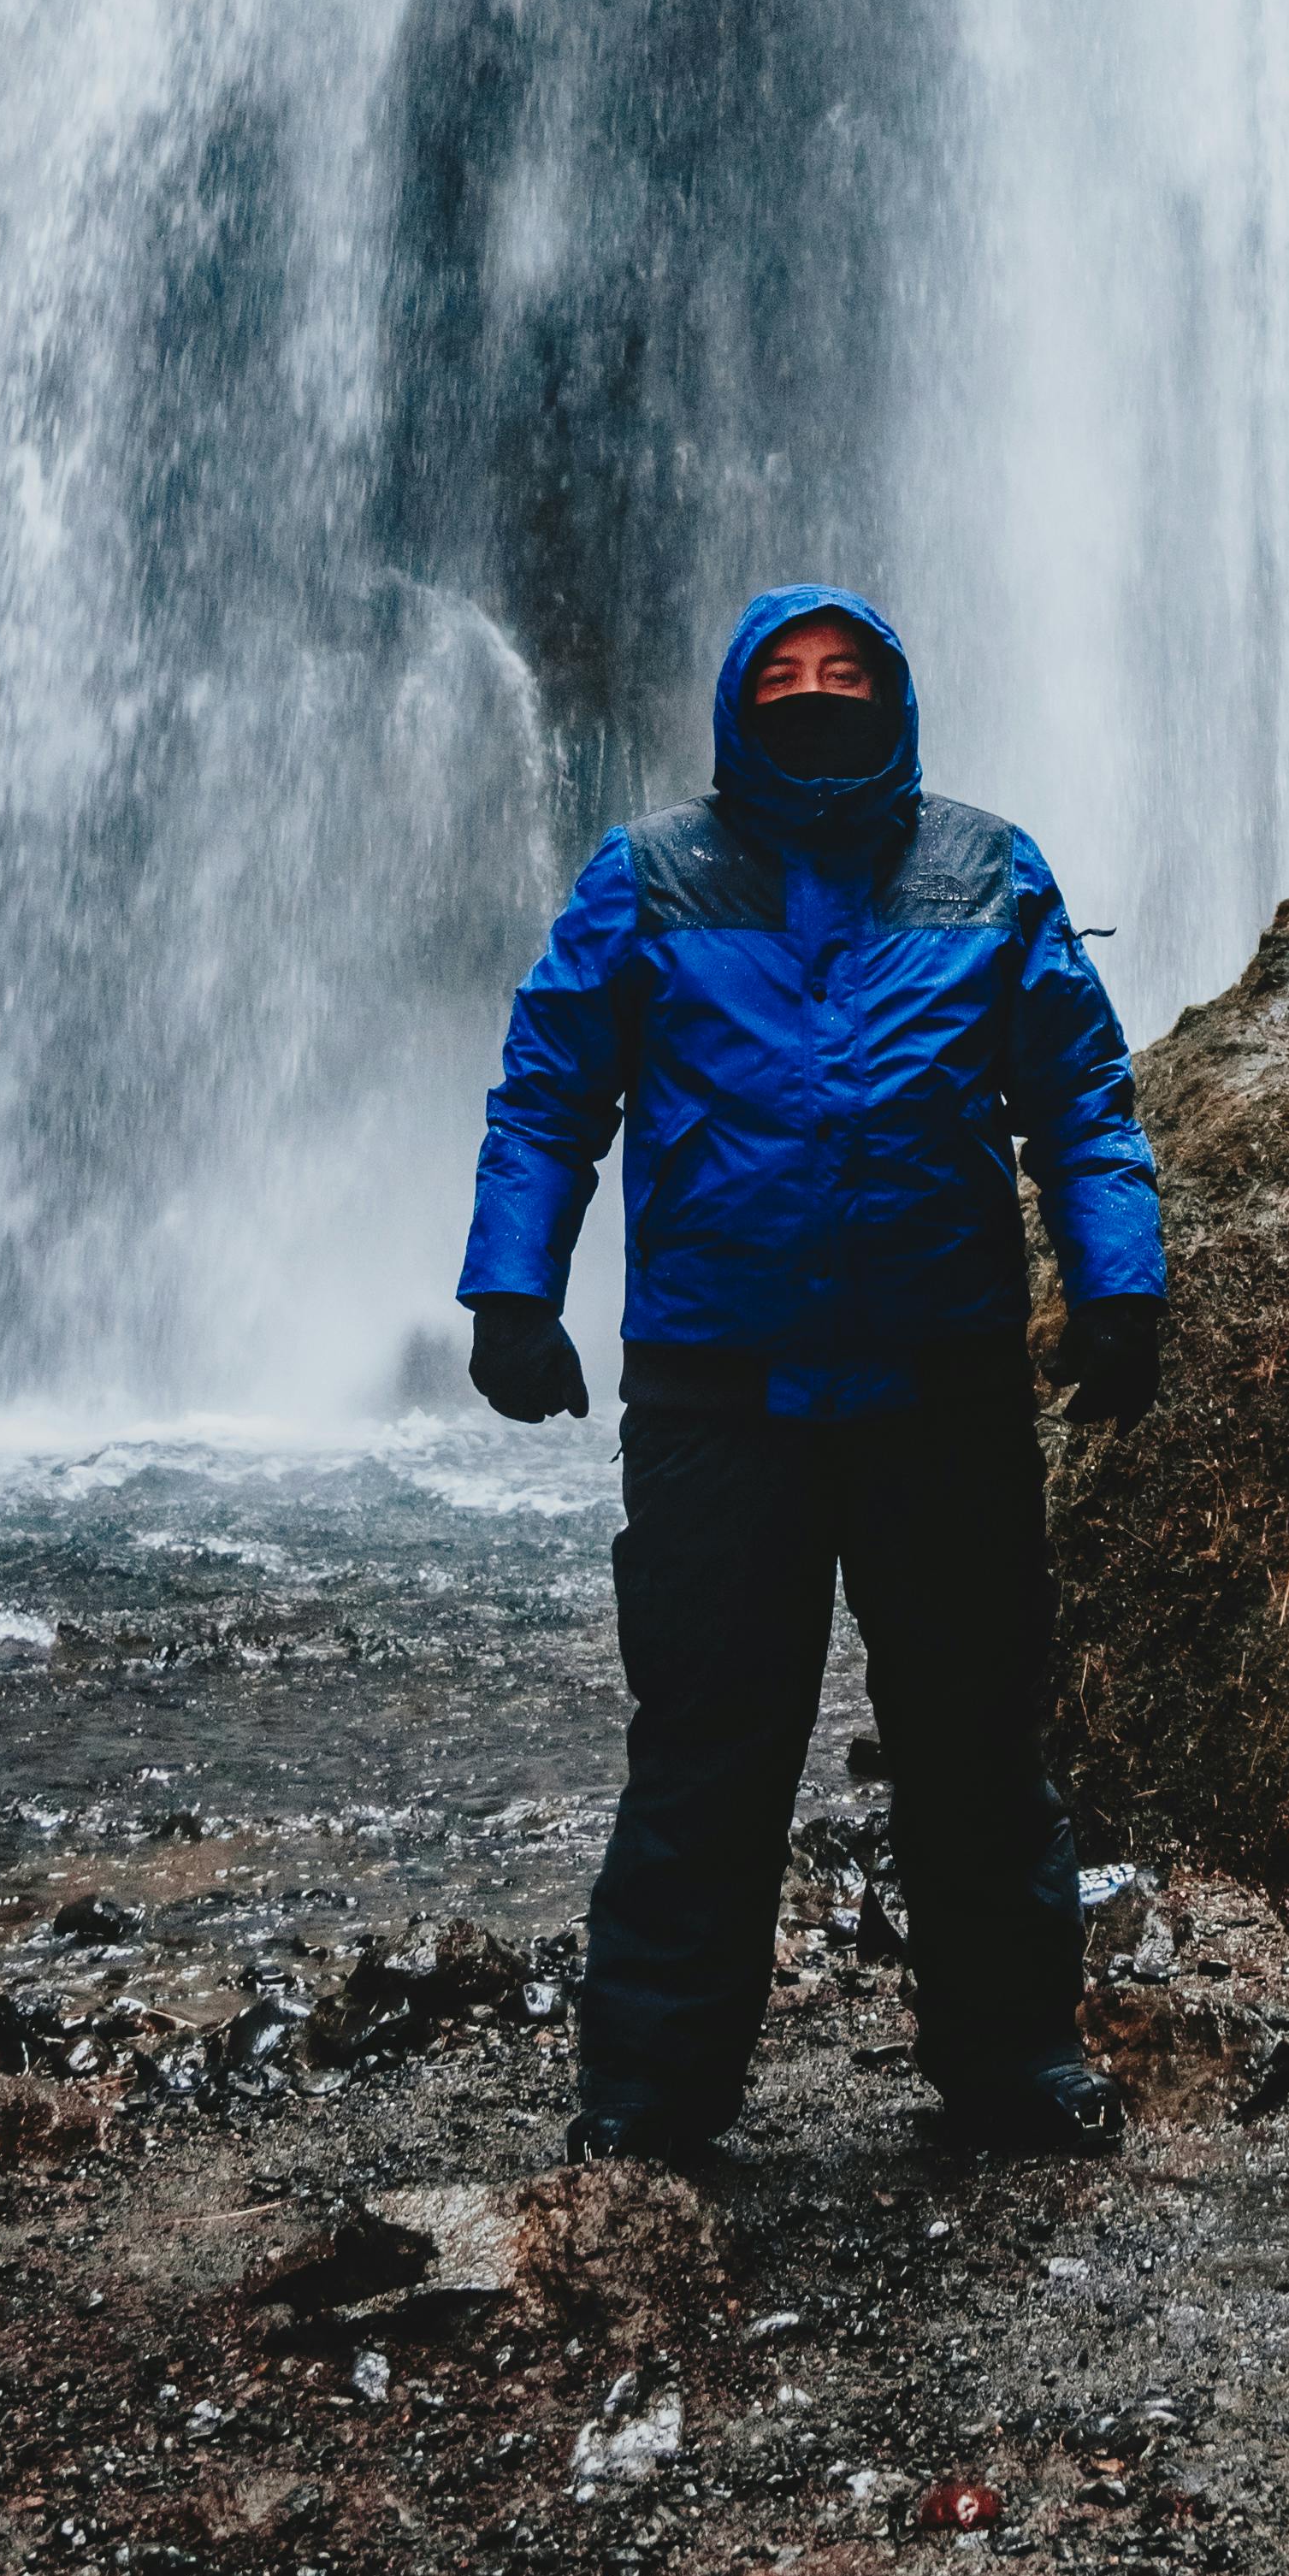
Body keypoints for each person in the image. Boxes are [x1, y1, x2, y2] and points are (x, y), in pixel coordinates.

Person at [457, 582, 1166, 2166]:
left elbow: (1084, 1104)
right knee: (710, 1743)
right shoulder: (648, 873)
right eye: (785, 675)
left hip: (944, 1386)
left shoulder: (990, 869)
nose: (816, 694)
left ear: (895, 693)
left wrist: (1121, 1286)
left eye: (845, 672)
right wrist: (514, 1291)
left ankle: (1015, 2063)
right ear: (735, 702)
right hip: (719, 1393)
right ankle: (650, 2090)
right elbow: (550, 1092)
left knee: (976, 1737)